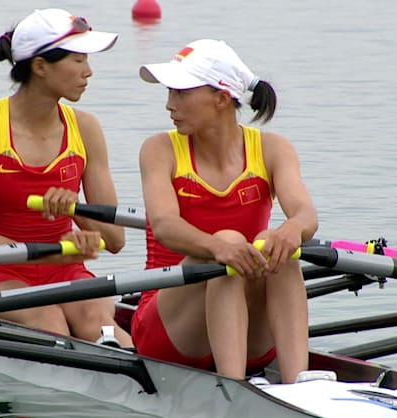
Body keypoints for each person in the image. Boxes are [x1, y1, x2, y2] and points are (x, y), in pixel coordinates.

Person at [131, 39, 318, 383]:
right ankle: (234, 388)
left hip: (247, 330)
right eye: (169, 93)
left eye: (181, 93)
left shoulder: (273, 149)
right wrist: (219, 247)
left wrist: (291, 230)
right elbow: (164, 225)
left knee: (278, 245)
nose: (169, 105)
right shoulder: (160, 149)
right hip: (169, 329)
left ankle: (299, 384)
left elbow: (306, 214)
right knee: (228, 245)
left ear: (220, 97)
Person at [0, 8, 132, 347]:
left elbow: (116, 239)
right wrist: (49, 253)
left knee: (98, 321)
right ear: (40, 67)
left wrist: (74, 210)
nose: (89, 71)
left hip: (66, 267)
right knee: (48, 319)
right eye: (78, 60)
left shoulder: (86, 128)